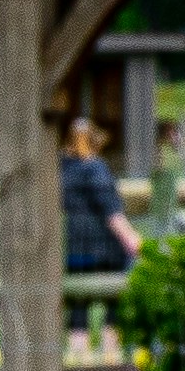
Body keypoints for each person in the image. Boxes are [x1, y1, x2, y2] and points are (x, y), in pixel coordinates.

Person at [62, 106, 140, 343]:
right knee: (114, 300)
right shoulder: (96, 168)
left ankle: (78, 356)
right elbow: (111, 212)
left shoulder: (62, 169)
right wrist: (132, 240)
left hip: (73, 249)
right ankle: (111, 350)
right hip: (103, 250)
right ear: (96, 142)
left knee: (77, 308)